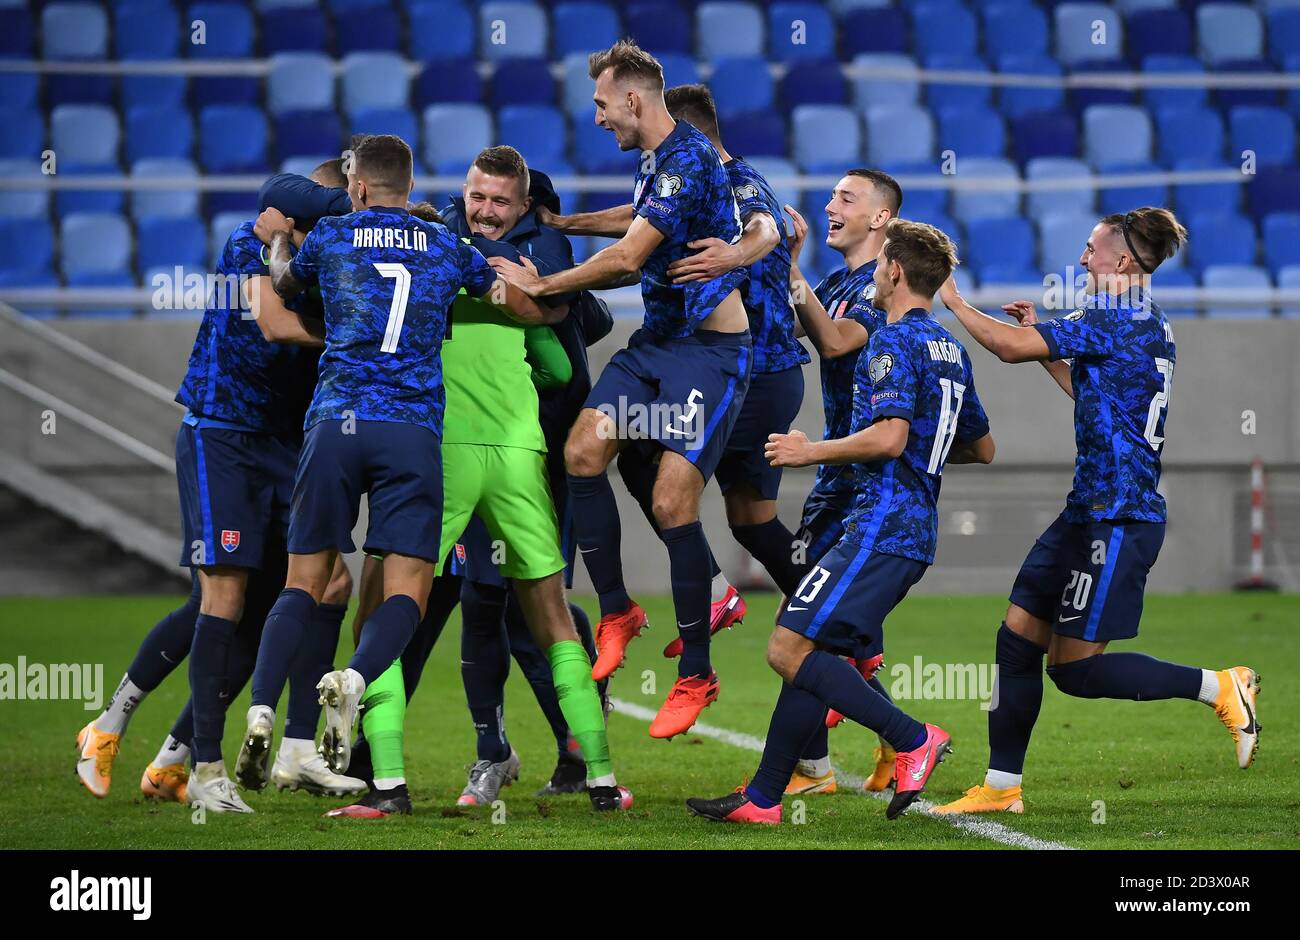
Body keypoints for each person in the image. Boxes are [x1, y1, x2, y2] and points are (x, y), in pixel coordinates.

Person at [934, 207, 1259, 816]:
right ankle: (1002, 787)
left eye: (1091, 248)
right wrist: (1049, 350)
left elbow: (1004, 348)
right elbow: (1094, 394)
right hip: (1086, 509)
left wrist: (951, 298)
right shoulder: (1147, 322)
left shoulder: (1113, 313)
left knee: (1076, 673)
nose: (1082, 259)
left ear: (1123, 261)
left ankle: (1220, 686)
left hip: (1120, 515)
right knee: (1016, 638)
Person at [686, 219, 995, 824]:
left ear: (895, 271)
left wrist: (811, 451)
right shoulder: (950, 348)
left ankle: (912, 738)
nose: (874, 274)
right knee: (810, 648)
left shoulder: (890, 341)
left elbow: (887, 438)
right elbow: (980, 447)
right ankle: (764, 798)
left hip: (878, 524)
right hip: (909, 531)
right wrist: (919, 448)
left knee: (786, 647)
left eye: (881, 265)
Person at [77, 162, 364, 812]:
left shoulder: (331, 263)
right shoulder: (251, 243)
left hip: (286, 445)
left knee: (313, 588)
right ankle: (166, 749)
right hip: (224, 435)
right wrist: (363, 337)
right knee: (224, 597)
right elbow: (276, 325)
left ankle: (182, 757)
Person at [491, 40, 751, 739]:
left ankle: (696, 671)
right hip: (656, 348)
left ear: (633, 99)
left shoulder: (690, 156)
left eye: (604, 105)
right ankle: (618, 612)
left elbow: (631, 256)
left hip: (708, 351)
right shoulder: (656, 162)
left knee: (670, 498)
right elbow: (635, 219)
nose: (599, 117)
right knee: (582, 450)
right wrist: (563, 224)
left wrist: (542, 281)